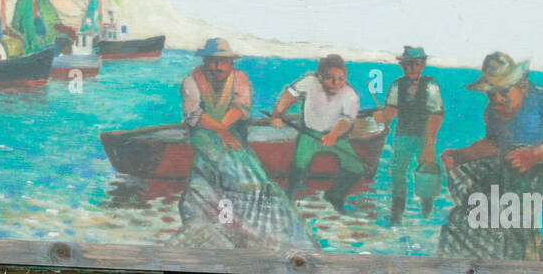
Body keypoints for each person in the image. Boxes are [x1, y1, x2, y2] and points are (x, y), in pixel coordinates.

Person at [437, 51, 543, 263]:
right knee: (517, 225)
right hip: (530, 173)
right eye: (491, 93)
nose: (496, 99)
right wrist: (460, 156)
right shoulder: (493, 112)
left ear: (521, 86)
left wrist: (534, 154)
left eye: (503, 91)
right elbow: (493, 144)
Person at [172, 38, 316, 250]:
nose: (217, 66)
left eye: (223, 61)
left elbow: (239, 108)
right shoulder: (191, 81)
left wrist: (224, 130)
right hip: (204, 134)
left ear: (230, 62)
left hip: (233, 133)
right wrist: (221, 131)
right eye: (212, 61)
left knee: (252, 176)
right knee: (217, 169)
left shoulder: (239, 78)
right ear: (205, 61)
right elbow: (194, 115)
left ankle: (263, 231)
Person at [270, 54, 365, 212]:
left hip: (336, 137)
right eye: (330, 78)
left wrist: (333, 135)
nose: (336, 83)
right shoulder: (310, 81)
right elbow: (289, 95)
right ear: (320, 76)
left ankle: (334, 195)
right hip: (309, 133)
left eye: (341, 79)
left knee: (356, 169)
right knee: (299, 165)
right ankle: (289, 200)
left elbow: (346, 121)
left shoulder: (350, 95)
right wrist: (277, 114)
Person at [373, 46, 444, 225]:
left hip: (424, 135)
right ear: (402, 66)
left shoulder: (431, 85)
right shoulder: (397, 85)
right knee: (397, 173)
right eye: (408, 64)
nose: (412, 68)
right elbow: (390, 111)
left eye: (416, 64)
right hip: (403, 134)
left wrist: (429, 145)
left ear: (423, 65)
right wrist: (382, 117)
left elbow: (436, 115)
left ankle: (427, 206)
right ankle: (397, 211)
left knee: (426, 170)